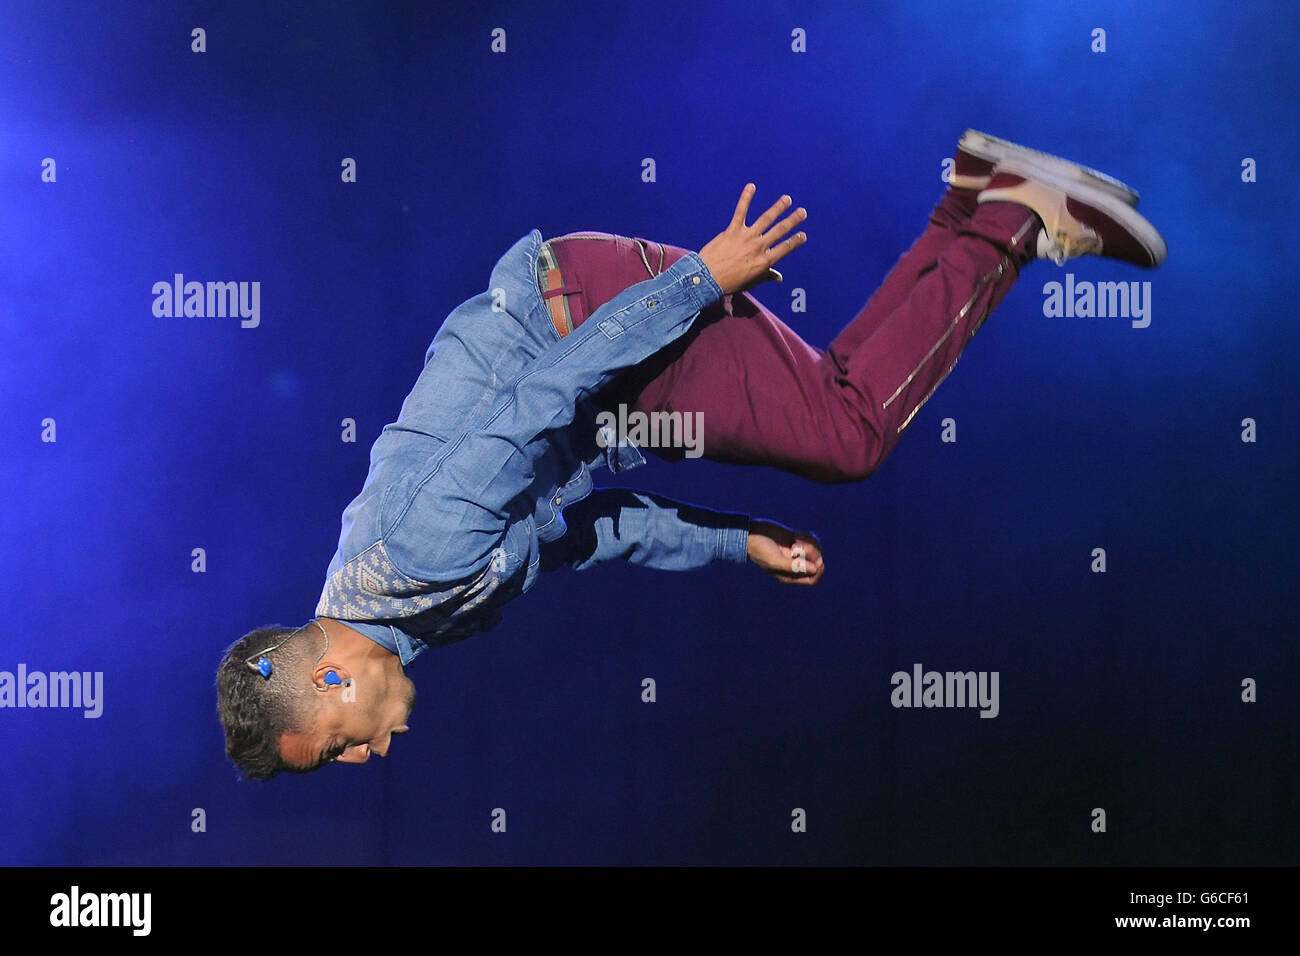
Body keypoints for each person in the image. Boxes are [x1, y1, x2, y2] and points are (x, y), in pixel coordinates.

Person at [216, 130, 1166, 779]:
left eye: (339, 744)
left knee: (847, 432)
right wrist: (735, 541)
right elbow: (588, 533)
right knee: (838, 423)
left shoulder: (412, 552)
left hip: (594, 326)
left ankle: (1009, 214)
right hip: (603, 371)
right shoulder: (413, 618)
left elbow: (549, 396)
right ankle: (974, 198)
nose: (367, 756)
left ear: (333, 678)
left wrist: (700, 279)